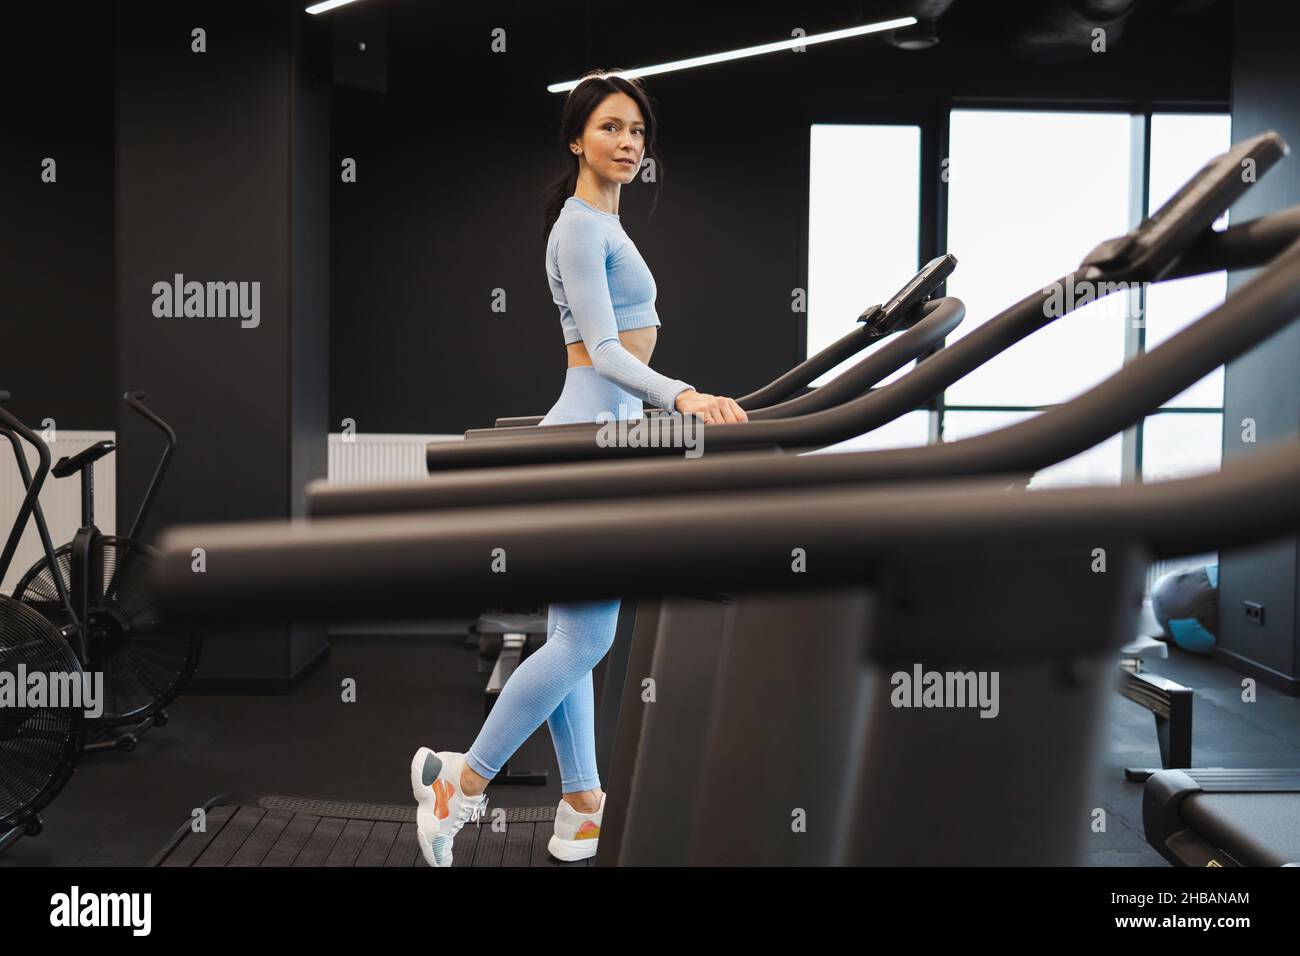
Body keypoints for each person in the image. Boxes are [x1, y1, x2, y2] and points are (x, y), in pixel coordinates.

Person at [410, 70, 747, 867]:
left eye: (637, 131)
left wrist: (662, 406)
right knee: (586, 640)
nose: (628, 143)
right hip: (593, 434)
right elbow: (602, 353)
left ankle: (581, 799)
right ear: (576, 138)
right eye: (610, 128)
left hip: (609, 434)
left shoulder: (602, 224)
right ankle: (464, 781)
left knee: (576, 635)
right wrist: (685, 395)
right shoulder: (579, 228)